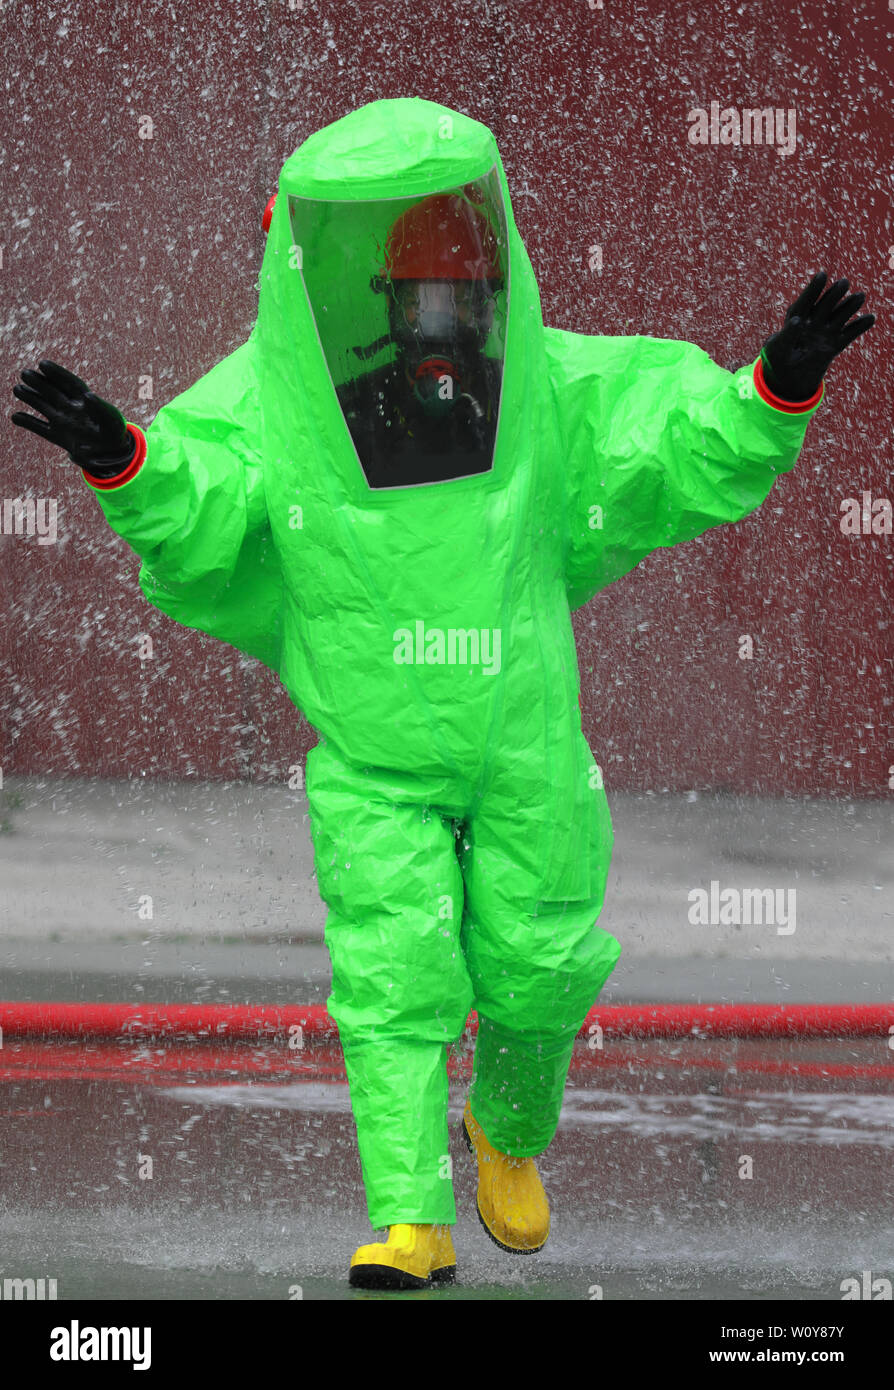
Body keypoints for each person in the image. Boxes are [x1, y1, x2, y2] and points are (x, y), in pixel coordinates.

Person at [10, 97, 875, 1291]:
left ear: (489, 283)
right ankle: (409, 1216)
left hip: (525, 743)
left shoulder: (545, 396)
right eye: (417, 295)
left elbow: (670, 441)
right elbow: (203, 495)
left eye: (456, 292)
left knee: (538, 963)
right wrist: (125, 461)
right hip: (372, 752)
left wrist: (772, 388)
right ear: (369, 297)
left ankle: (507, 1135)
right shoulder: (286, 411)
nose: (438, 316)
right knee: (395, 973)